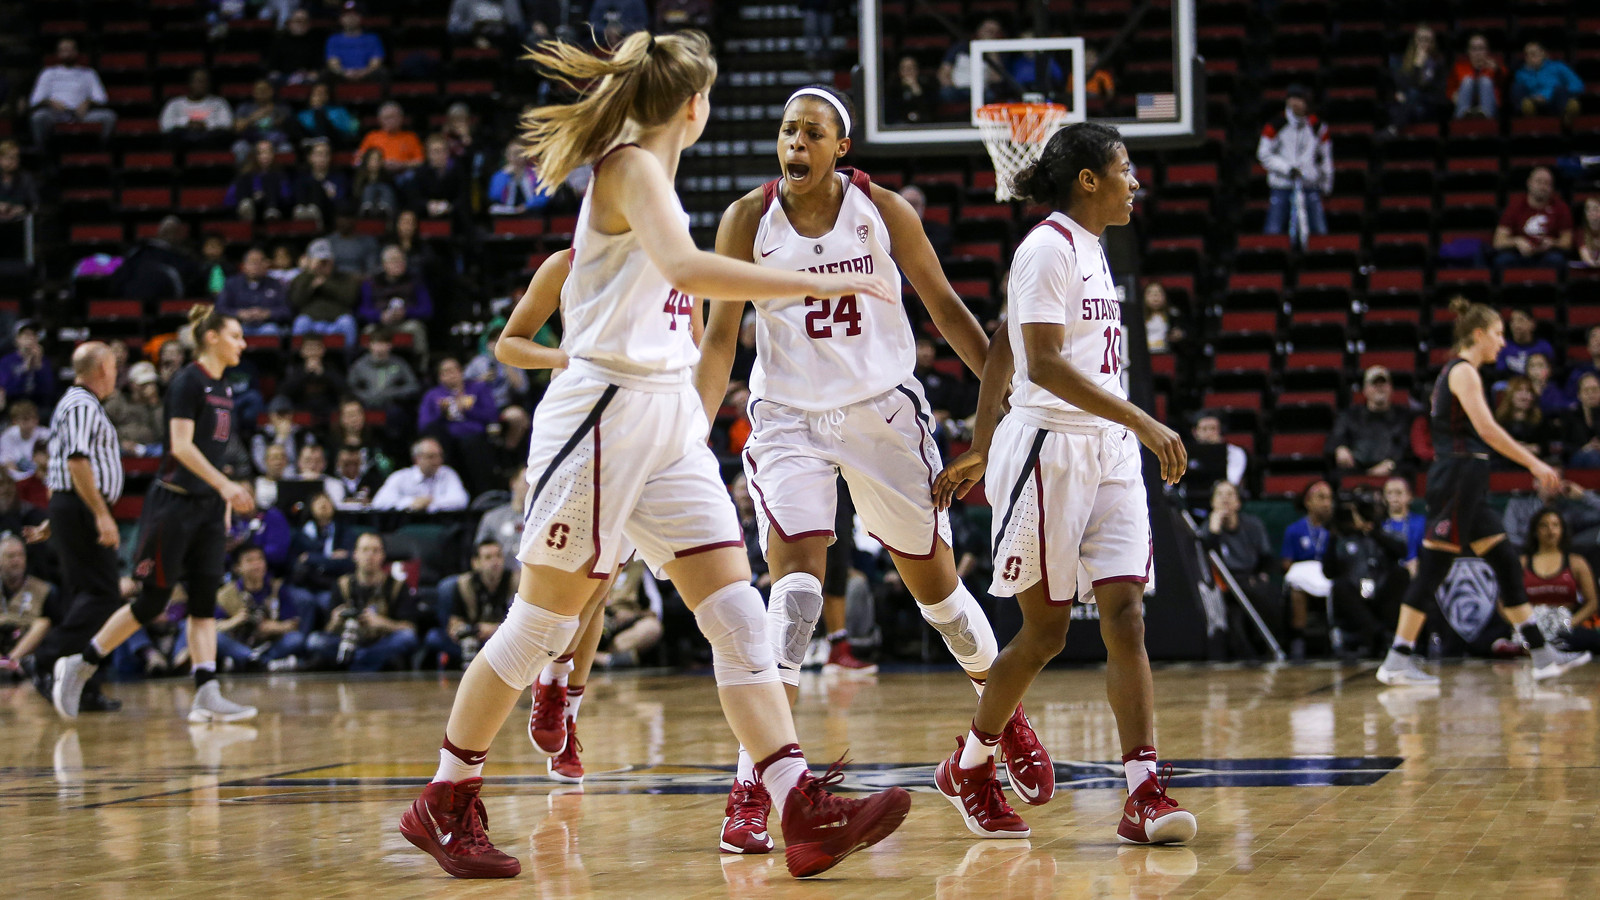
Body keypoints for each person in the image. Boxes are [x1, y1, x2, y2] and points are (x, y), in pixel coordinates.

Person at [399, 30, 910, 881]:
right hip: (602, 410)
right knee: (541, 628)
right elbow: (686, 267)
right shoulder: (631, 166)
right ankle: (446, 797)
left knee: (737, 614)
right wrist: (821, 282)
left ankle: (798, 804)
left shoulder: (655, 176)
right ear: (695, 105)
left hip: (665, 416)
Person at [697, 82, 1008, 851]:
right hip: (790, 416)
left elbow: (946, 309)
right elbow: (718, 342)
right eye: (786, 131)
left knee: (936, 586)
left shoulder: (884, 211)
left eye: (810, 133)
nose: (793, 143)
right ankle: (753, 784)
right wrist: (683, 441)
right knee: (795, 592)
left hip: (882, 411)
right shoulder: (746, 219)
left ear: (842, 147)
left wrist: (1001, 419)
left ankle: (1003, 716)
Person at [932, 121, 1193, 846]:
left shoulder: (1092, 250)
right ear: (1088, 179)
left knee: (1127, 617)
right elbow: (1038, 365)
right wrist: (1143, 418)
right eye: (1125, 167)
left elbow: (996, 355)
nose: (1135, 180)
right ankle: (973, 764)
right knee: (1044, 634)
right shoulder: (1045, 247)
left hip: (1107, 451)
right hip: (1049, 449)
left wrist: (980, 445)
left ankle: (1143, 791)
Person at [51, 306, 259, 721]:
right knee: (152, 601)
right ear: (212, 338)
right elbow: (181, 448)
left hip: (207, 507)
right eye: (236, 335)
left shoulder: (226, 388)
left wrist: (219, 502)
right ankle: (81, 663)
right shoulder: (187, 381)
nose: (243, 343)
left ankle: (207, 693)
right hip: (174, 506)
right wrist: (225, 486)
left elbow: (214, 453)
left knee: (204, 601)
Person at [1376, 297, 1590, 686]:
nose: (1502, 343)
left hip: (1468, 480)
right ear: (1478, 334)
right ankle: (1396, 659)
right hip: (1456, 478)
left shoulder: (1463, 373)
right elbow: (1488, 430)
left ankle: (1542, 655)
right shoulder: (1463, 372)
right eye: (1497, 334)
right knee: (1434, 570)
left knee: (1507, 562)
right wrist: (1535, 464)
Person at [14, 344, 123, 712]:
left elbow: (62, 467)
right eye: (114, 367)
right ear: (104, 368)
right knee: (105, 597)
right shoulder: (81, 404)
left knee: (85, 599)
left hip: (73, 508)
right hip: (82, 507)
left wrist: (57, 521)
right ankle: (45, 659)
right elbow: (76, 462)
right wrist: (100, 514)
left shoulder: (80, 404)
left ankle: (80, 686)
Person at [309, 533, 421, 670]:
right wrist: (335, 621)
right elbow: (328, 630)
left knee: (407, 638)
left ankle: (356, 661)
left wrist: (382, 623)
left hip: (380, 642)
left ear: (383, 556)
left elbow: (410, 628)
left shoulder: (397, 586)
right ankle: (366, 663)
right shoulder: (342, 584)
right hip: (349, 641)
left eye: (375, 551)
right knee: (314, 641)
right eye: (365, 550)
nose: (370, 556)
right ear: (355, 555)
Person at [214, 544, 307, 670]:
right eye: (250, 560)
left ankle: (251, 662)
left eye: (260, 559)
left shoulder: (276, 588)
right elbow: (213, 627)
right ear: (237, 568)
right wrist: (234, 621)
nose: (257, 564)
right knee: (217, 639)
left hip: (269, 644)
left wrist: (275, 627)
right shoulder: (226, 594)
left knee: (297, 639)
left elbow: (293, 624)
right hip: (239, 643)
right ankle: (264, 663)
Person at [1521, 508, 1599, 656]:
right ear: (1535, 531)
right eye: (1544, 525)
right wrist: (1523, 625)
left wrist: (1568, 624)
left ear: (1562, 530)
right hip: (1531, 627)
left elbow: (1592, 602)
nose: (1551, 530)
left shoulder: (1576, 562)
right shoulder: (1522, 563)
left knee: (1593, 640)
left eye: (1555, 525)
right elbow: (1504, 601)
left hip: (1567, 629)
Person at [1257, 85, 1330, 241]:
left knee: (1319, 232)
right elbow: (1263, 154)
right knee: (1273, 231)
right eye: (1293, 99)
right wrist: (1287, 169)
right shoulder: (1276, 124)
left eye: (1300, 99)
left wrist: (1327, 183)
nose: (1296, 103)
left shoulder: (1318, 126)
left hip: (1310, 186)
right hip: (1282, 186)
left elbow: (1325, 157)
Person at [428, 540, 514, 669]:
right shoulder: (464, 585)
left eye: (498, 556)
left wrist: (495, 629)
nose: (495, 561)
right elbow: (455, 621)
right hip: (475, 638)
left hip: (505, 637)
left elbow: (525, 621)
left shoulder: (514, 583)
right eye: (488, 557)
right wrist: (461, 629)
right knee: (434, 637)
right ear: (476, 563)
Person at [1198, 480, 1274, 620]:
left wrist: (1261, 576)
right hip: (1223, 582)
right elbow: (1206, 561)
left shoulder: (1253, 525)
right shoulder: (1207, 528)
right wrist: (1214, 532)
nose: (1225, 498)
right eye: (1219, 494)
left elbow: (1266, 557)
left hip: (1250, 578)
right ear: (1212, 502)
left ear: (1238, 502)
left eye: (1230, 494)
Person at [28, 37, 115, 149]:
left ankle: (101, 149)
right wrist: (50, 102)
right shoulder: (48, 73)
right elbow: (35, 100)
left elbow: (101, 98)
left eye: (70, 50)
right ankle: (42, 153)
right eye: (63, 50)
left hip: (82, 114)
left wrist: (88, 102)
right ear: (58, 53)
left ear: (76, 52)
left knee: (109, 117)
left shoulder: (88, 73)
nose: (67, 54)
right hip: (56, 114)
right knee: (38, 117)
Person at [1280, 479, 1334, 658]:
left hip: (1330, 574)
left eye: (1329, 498)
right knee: (1297, 590)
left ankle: (1338, 635)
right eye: (1321, 497)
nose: (1326, 503)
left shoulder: (1336, 528)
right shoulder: (1295, 530)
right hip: (1305, 577)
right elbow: (1286, 562)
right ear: (1308, 502)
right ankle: (1298, 639)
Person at [1329, 366, 1413, 476]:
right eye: (1374, 384)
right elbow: (1335, 438)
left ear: (1391, 388)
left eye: (1383, 384)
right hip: (1354, 472)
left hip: (1392, 473)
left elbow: (1407, 447)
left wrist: (1392, 464)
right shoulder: (1349, 416)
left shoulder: (1404, 417)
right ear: (1365, 390)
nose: (1380, 388)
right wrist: (1340, 448)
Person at [357, 245, 433, 357]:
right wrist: (380, 316)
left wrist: (406, 313)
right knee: (368, 331)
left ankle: (421, 368)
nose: (399, 263)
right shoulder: (371, 282)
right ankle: (366, 366)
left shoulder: (415, 281)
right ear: (384, 264)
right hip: (380, 324)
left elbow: (427, 309)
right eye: (393, 260)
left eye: (402, 260)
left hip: (406, 322)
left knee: (417, 328)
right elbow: (362, 311)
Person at [1492, 167, 1572, 273]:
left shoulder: (1561, 208)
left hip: (1547, 255)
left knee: (1557, 260)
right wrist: (1517, 242)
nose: (1543, 187)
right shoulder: (1515, 206)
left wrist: (1553, 243)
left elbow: (1567, 242)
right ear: (1529, 183)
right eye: (1538, 182)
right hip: (1519, 254)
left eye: (1547, 183)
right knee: (1502, 261)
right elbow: (1498, 241)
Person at [289, 239, 361, 349]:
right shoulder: (302, 278)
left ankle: (349, 361)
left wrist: (326, 283)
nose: (323, 265)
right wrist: (311, 282)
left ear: (333, 260)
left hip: (336, 322)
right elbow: (296, 302)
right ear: (310, 261)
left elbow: (350, 299)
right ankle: (298, 362)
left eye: (326, 261)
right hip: (311, 322)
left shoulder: (345, 278)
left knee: (348, 322)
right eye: (320, 261)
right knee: (301, 322)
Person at [371, 437, 469, 512]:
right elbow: (379, 502)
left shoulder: (447, 473)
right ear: (417, 459)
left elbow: (461, 500)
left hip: (441, 524)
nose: (437, 461)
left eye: (439, 456)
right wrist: (411, 502)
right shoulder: (401, 477)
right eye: (431, 457)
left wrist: (429, 502)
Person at [217, 246, 293, 336]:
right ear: (244, 265)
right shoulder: (232, 284)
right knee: (232, 331)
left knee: (271, 330)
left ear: (266, 265)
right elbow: (220, 309)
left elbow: (287, 311)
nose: (257, 266)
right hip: (240, 324)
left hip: (266, 325)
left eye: (261, 262)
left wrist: (267, 313)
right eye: (252, 262)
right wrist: (240, 313)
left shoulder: (276, 284)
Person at [347, 328, 421, 414]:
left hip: (392, 405)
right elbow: (350, 387)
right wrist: (366, 395)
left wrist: (393, 393)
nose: (379, 347)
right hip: (365, 405)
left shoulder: (400, 364)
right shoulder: (359, 365)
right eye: (376, 343)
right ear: (370, 345)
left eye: (383, 343)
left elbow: (413, 386)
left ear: (390, 345)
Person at [1511, 40, 1584, 126]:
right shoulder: (1521, 73)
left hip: (1556, 101)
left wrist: (1547, 96)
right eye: (1527, 54)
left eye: (1534, 53)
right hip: (1534, 104)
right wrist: (1534, 98)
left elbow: (1578, 84)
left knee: (1560, 90)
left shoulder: (1558, 66)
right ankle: (1528, 119)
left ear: (1543, 53)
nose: (1531, 57)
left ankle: (1567, 117)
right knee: (1517, 88)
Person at [1387, 24, 1445, 132]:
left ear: (1433, 43)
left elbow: (1434, 90)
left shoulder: (1438, 63)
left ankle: (1393, 129)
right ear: (1414, 42)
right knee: (1397, 104)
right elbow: (1402, 85)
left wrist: (1419, 66)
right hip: (1408, 103)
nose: (1424, 44)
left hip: (1427, 104)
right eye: (1421, 39)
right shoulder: (1403, 61)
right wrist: (1416, 66)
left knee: (1414, 93)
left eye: (1428, 40)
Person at [937, 17, 1004, 104]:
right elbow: (943, 73)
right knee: (946, 93)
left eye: (992, 31)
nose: (988, 33)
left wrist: (992, 50)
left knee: (991, 96)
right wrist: (952, 86)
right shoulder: (960, 47)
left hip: (981, 91)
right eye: (986, 30)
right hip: (957, 88)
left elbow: (997, 78)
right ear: (979, 30)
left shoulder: (999, 53)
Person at [160, 70, 234, 148]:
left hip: (210, 139)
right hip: (182, 141)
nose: (201, 85)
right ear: (189, 83)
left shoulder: (219, 103)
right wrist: (187, 123)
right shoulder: (174, 103)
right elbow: (166, 125)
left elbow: (227, 124)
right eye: (198, 81)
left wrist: (205, 124)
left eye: (204, 81)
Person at [1494, 376, 1556, 467]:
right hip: (1505, 464)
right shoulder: (1499, 420)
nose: (1525, 396)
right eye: (1519, 391)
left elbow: (1545, 448)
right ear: (1510, 395)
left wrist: (1531, 449)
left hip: (1534, 464)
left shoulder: (1541, 420)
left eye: (1528, 392)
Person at [226, 139, 293, 223]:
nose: (265, 156)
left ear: (273, 154)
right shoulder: (246, 175)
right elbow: (230, 198)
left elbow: (287, 197)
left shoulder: (280, 175)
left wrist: (267, 196)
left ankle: (271, 209)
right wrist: (253, 196)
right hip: (253, 207)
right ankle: (246, 208)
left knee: (271, 181)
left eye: (268, 152)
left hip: (274, 208)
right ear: (255, 155)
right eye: (261, 153)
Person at [106, 362, 163, 455]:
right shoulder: (119, 402)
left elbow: (161, 432)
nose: (149, 387)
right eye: (144, 383)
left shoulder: (157, 405)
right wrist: (120, 442)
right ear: (133, 384)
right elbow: (103, 425)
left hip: (150, 448)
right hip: (122, 447)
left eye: (152, 383)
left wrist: (154, 404)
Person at [476, 466, 526, 571]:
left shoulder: (545, 520)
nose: (530, 487)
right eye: (526, 481)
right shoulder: (492, 517)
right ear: (513, 483)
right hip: (501, 575)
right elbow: (479, 551)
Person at [0, 320, 58, 411]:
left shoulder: (44, 361)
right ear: (17, 339)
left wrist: (38, 366)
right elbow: (8, 390)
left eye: (33, 335)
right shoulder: (7, 361)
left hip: (38, 408)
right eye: (26, 335)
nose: (30, 338)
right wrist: (25, 369)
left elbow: (48, 391)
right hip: (14, 407)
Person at [232, 79, 293, 162]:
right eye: (258, 90)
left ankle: (279, 175)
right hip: (251, 141)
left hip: (275, 142)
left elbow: (288, 128)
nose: (261, 92)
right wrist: (254, 117)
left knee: (286, 148)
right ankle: (244, 174)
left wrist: (277, 118)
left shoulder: (282, 108)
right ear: (253, 92)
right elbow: (237, 129)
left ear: (271, 91)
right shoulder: (245, 107)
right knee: (239, 147)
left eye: (265, 90)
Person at [326, 2, 385, 82]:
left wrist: (364, 72)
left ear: (360, 17)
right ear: (341, 19)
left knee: (382, 73)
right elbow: (333, 63)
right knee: (327, 74)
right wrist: (344, 72)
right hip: (343, 75)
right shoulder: (333, 39)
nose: (351, 18)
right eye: (347, 15)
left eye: (354, 15)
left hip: (367, 75)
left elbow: (376, 62)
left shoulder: (372, 38)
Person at [1450, 33, 1504, 120]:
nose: (1478, 53)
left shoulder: (1495, 67)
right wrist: (1452, 95)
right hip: (1463, 107)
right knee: (1467, 81)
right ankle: (1463, 117)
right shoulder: (1459, 68)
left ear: (1487, 51)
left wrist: (1497, 71)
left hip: (1491, 110)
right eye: (1474, 49)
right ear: (1469, 51)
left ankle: (1485, 117)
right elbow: (1449, 90)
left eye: (1481, 48)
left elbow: (1506, 84)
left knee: (1485, 81)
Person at [356, 103, 423, 172]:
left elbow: (420, 162)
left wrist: (402, 164)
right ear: (380, 120)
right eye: (386, 118)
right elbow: (358, 161)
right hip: (379, 173)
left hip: (404, 173)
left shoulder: (411, 137)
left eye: (393, 117)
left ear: (401, 118)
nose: (390, 121)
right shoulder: (371, 137)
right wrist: (379, 164)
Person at [268, 7, 325, 84]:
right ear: (290, 23)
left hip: (306, 78)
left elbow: (318, 66)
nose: (301, 24)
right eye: (298, 21)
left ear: (309, 25)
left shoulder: (315, 42)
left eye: (304, 21)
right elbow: (272, 65)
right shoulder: (279, 42)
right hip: (283, 78)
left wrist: (313, 73)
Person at [1381, 477, 1426, 570]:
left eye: (1399, 493)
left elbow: (1428, 554)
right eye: (1389, 493)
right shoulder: (1380, 524)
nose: (1394, 498)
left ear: (1409, 496)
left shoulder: (1421, 522)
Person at [0, 399, 50, 480]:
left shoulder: (46, 435)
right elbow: (7, 465)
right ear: (15, 421)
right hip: (17, 481)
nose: (30, 423)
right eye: (25, 420)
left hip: (40, 479)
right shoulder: (7, 436)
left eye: (34, 419)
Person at [898, 184, 951, 257]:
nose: (910, 207)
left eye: (914, 203)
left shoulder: (939, 232)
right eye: (906, 203)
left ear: (922, 207)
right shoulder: (887, 232)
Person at [886, 54, 936, 125]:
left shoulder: (927, 86)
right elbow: (892, 112)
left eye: (911, 68)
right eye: (905, 68)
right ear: (900, 71)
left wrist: (917, 91)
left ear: (917, 70)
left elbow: (930, 112)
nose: (908, 71)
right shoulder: (893, 88)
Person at [0, 140, 41, 224]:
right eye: (9, 157)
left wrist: (22, 208)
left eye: (16, 157)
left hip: (20, 223)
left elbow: (35, 204)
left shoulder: (26, 179)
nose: (13, 161)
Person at [1142, 281, 1184, 355]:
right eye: (1150, 293)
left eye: (1159, 293)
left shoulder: (1173, 315)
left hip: (1165, 354)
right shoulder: (1138, 317)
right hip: (1144, 355)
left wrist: (1179, 334)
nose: (1155, 296)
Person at [1525, 353, 1569, 417]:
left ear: (1549, 369)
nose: (1536, 370)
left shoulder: (1555, 391)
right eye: (1532, 366)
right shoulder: (1520, 388)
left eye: (1540, 365)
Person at [1577, 197, 1600, 269]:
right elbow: (1585, 255)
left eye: (1595, 209)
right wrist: (1593, 263)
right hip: (1589, 269)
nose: (1592, 212)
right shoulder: (1580, 232)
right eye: (1588, 209)